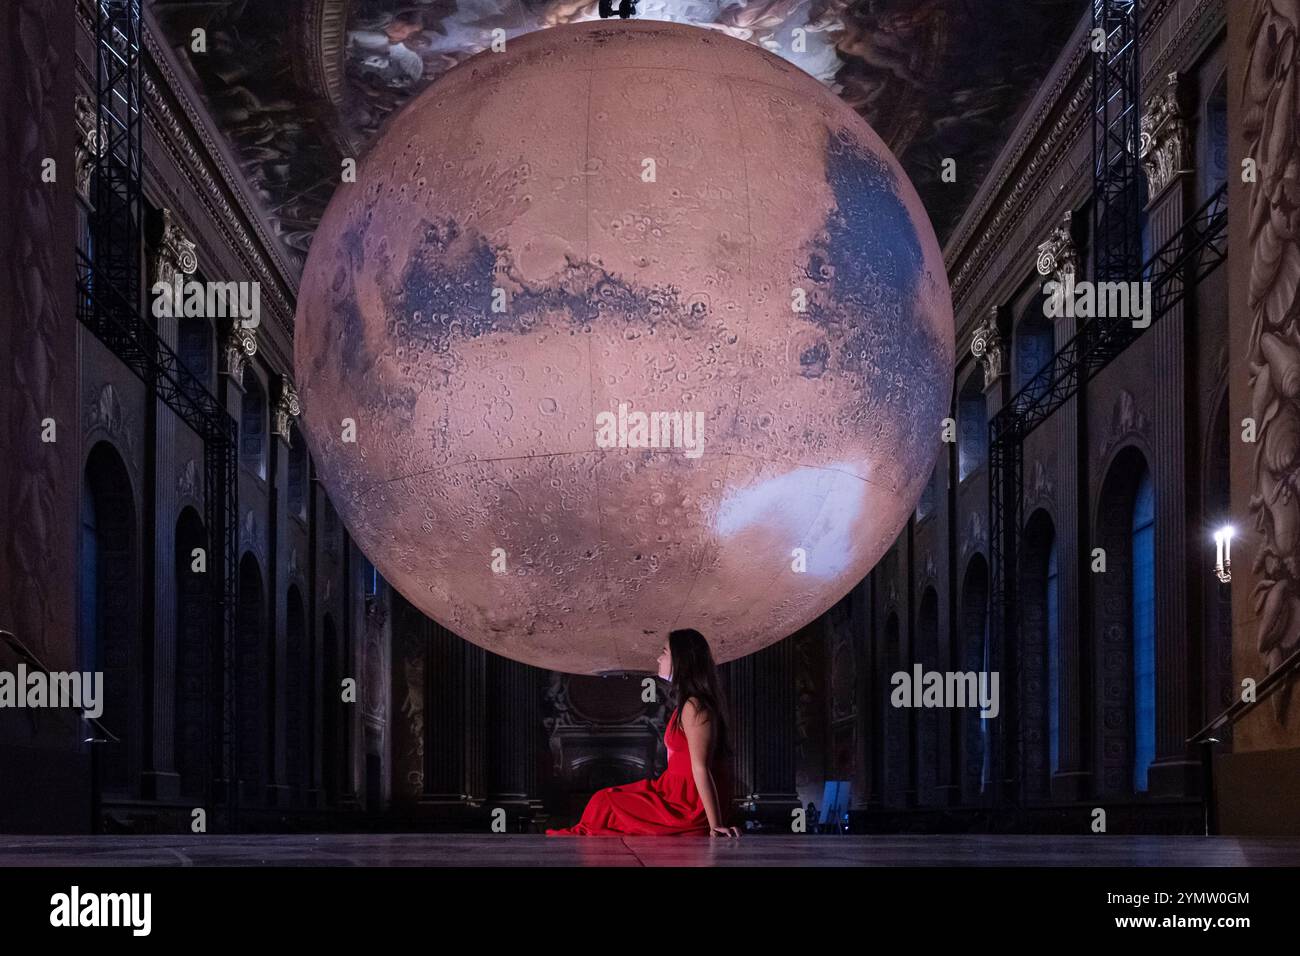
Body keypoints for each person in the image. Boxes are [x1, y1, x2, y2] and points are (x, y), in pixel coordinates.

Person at [547, 628, 739, 837]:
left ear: (681, 660)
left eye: (664, 652)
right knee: (604, 800)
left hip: (685, 802)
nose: (658, 658)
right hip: (669, 789)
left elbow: (701, 768)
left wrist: (715, 824)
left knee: (605, 804)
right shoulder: (685, 705)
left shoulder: (694, 706)